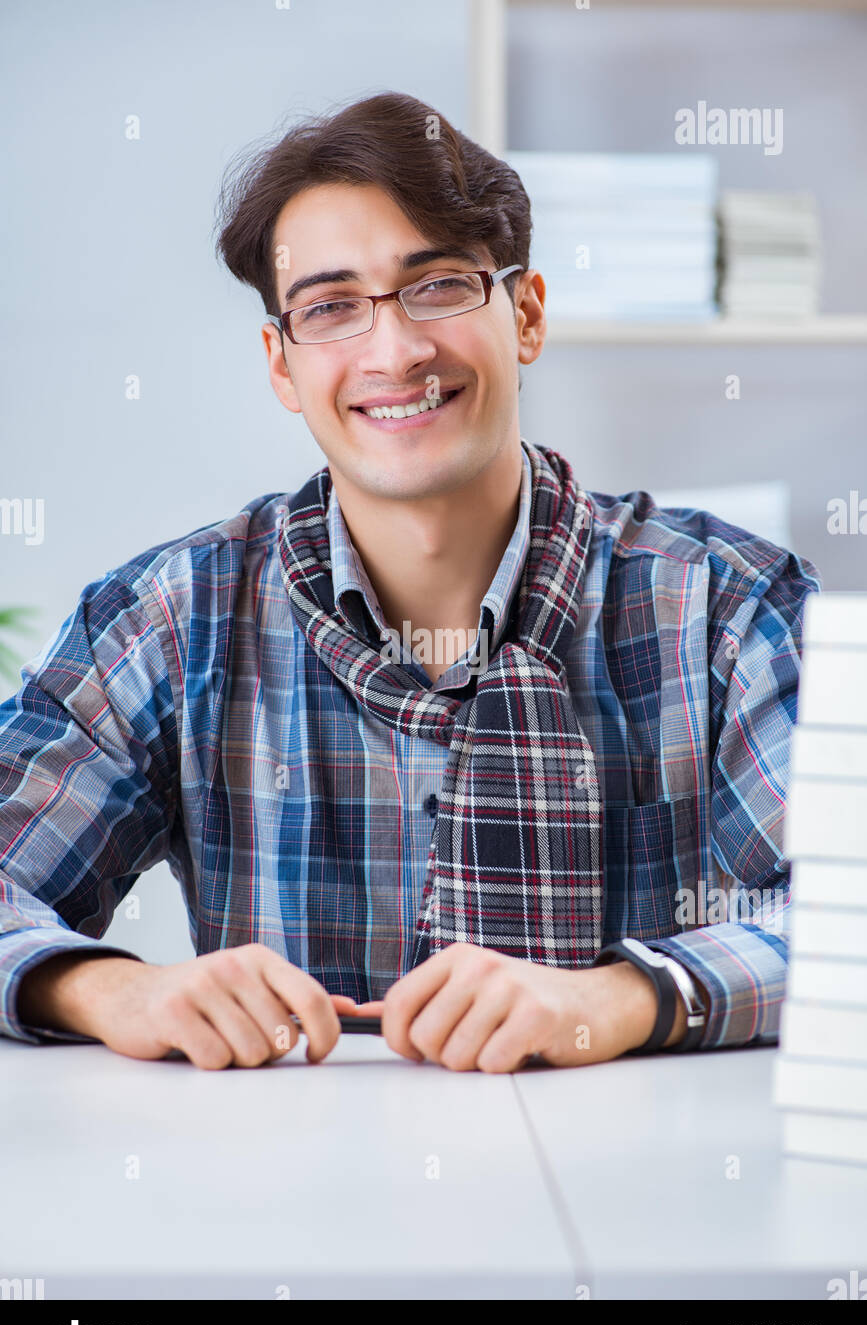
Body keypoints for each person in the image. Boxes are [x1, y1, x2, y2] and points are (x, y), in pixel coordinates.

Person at [1, 91, 820, 1074]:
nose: (396, 353)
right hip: (280, 1197)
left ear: (525, 314)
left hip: (654, 1204)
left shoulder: (727, 610)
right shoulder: (171, 618)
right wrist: (110, 985)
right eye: (332, 307)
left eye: (436, 287)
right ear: (281, 363)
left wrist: (624, 994)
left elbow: (847, 914)